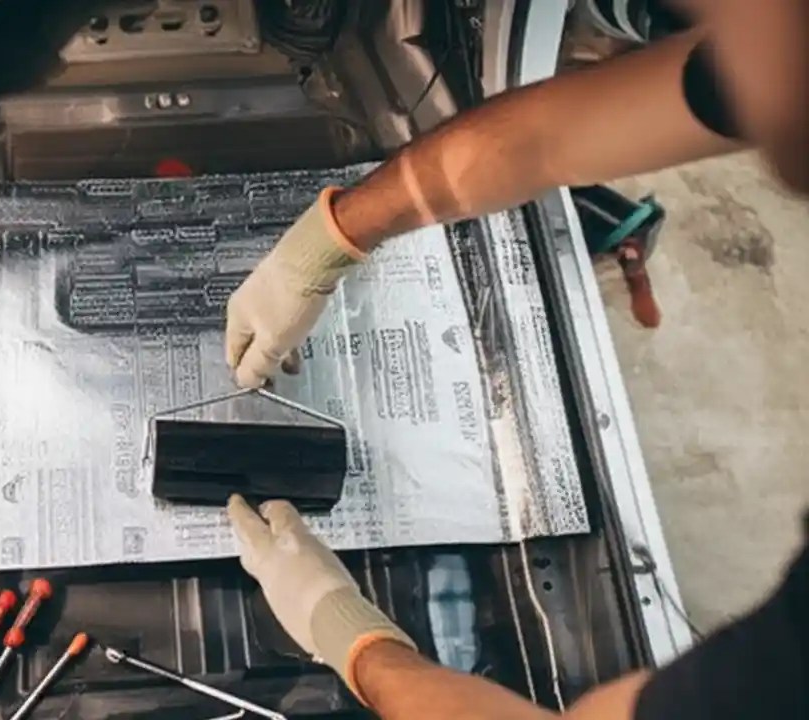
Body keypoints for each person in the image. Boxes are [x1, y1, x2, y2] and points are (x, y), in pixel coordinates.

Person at [222, 1, 808, 717]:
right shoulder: (784, 53)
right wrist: (328, 238)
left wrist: (344, 631)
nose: (682, 27)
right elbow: (543, 139)